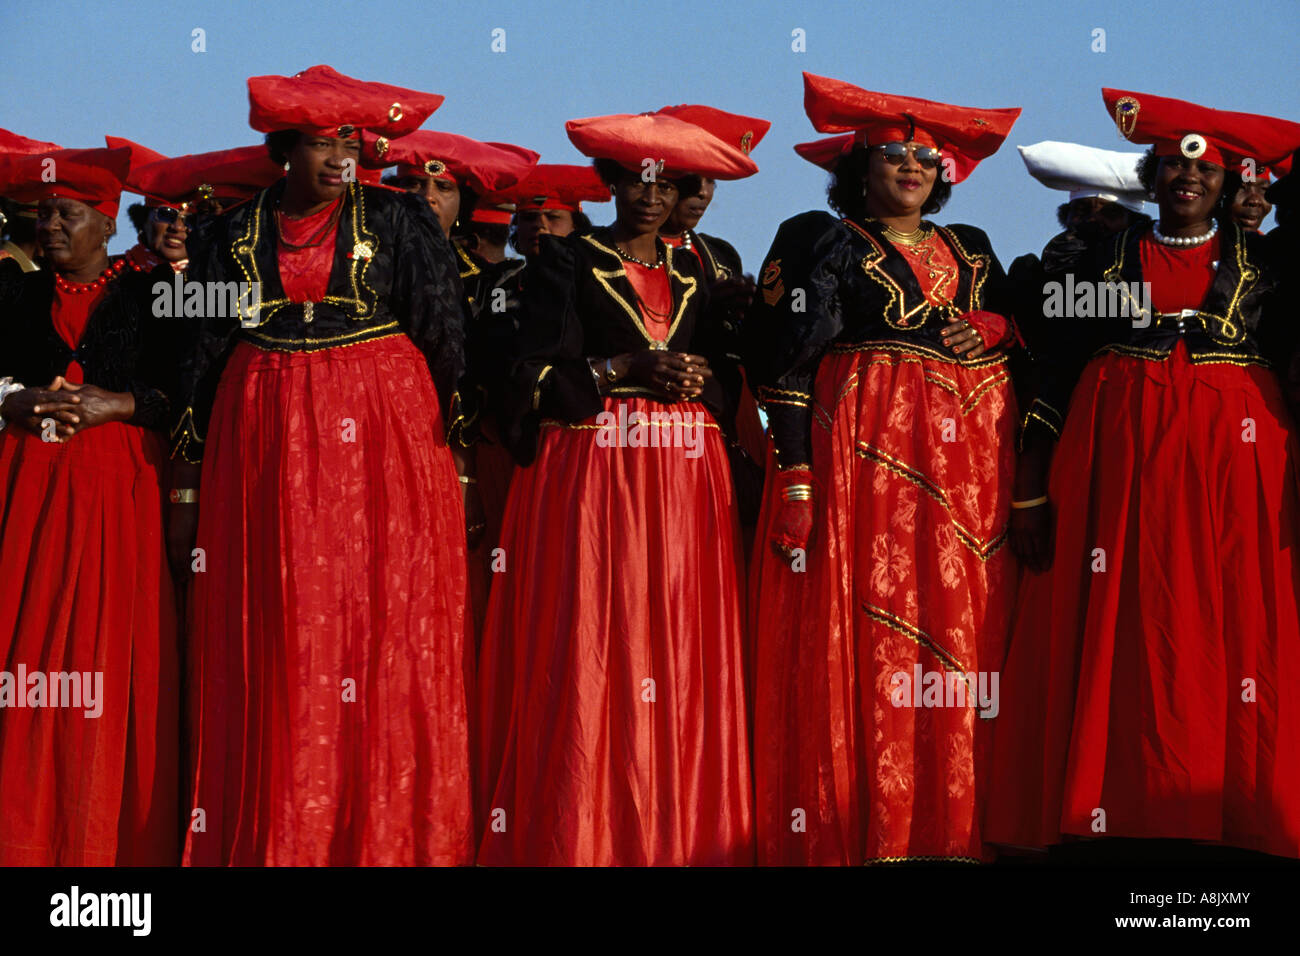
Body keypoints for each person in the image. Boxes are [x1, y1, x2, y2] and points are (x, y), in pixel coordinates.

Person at [170, 65, 474, 866]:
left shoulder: (403, 219)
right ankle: (288, 834)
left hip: (385, 434)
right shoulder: (227, 235)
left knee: (384, 622)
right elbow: (199, 351)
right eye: (319, 144)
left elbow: (444, 332)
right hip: (264, 431)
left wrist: (447, 446)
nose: (337, 159)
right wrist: (189, 465)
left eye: (348, 143)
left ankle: (390, 838)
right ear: (281, 150)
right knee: (283, 626)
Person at [991, 88, 1300, 860]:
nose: (1186, 181)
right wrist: (1030, 487)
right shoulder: (1100, 259)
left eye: (1203, 174)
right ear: (1150, 179)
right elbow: (1053, 371)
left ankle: (1234, 812)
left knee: (1232, 621)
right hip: (1114, 463)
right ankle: (1111, 805)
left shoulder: (1270, 266)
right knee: (1122, 620)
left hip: (1237, 468)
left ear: (1228, 187)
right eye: (1169, 169)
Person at [743, 72, 1022, 865]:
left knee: (965, 625)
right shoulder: (821, 238)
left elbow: (1026, 326)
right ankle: (869, 823)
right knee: (875, 616)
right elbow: (785, 361)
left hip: (972, 457)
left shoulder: (972, 249)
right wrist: (795, 476)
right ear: (858, 166)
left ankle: (955, 825)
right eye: (893, 155)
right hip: (870, 449)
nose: (911, 169)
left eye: (926, 161)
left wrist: (997, 324)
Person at [476, 109, 757, 865]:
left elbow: (734, 374)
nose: (649, 195)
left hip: (687, 476)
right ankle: (585, 832)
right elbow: (530, 374)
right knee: (594, 638)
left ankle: (681, 834)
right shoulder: (564, 261)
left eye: (666, 185)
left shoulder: (703, 269)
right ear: (613, 183)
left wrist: (704, 376)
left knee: (683, 643)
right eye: (636, 180)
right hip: (597, 467)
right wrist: (623, 369)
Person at [0, 145, 181, 865]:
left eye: (66, 215)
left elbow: (188, 393)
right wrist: (14, 399)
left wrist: (121, 404)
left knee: (109, 652)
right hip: (25, 489)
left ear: (107, 225)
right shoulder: (10, 293)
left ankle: (105, 841)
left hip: (120, 491)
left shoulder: (153, 295)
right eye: (42, 215)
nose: (49, 228)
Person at [368, 128, 538, 632]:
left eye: (443, 189)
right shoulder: (364, 274)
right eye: (416, 185)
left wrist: (466, 478)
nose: (428, 198)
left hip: (466, 451)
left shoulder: (490, 285)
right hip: (377, 438)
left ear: (463, 204)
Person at [654, 105, 770, 528]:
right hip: (654, 419)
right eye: (692, 178)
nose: (702, 192)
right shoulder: (607, 252)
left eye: (712, 179)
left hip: (730, 414)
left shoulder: (720, 254)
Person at [116, 139, 283, 272]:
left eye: (191, 219)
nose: (178, 227)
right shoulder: (110, 278)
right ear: (144, 219)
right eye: (167, 214)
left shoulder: (247, 282)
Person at [499, 164, 604, 257]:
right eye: (529, 218)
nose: (539, 224)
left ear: (576, 226)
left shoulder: (596, 278)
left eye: (552, 217)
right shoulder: (502, 279)